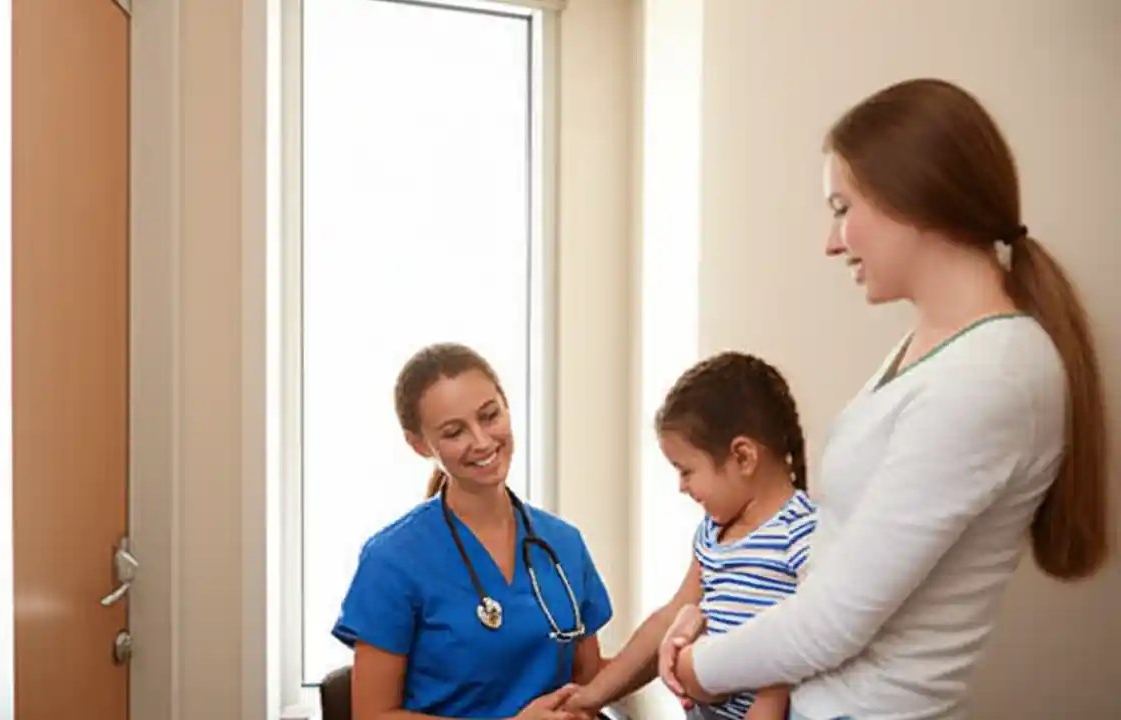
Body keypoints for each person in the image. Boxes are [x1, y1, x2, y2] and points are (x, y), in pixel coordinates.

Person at [659, 78, 1110, 719]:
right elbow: (833, 564)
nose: (832, 240)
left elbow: (837, 619)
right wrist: (705, 626)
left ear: (914, 196)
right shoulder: (934, 348)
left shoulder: (994, 375)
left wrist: (696, 668)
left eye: (842, 207)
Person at [332, 342, 614, 720]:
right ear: (419, 445)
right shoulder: (392, 560)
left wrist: (682, 657)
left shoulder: (562, 544)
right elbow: (372, 716)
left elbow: (590, 683)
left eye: (489, 415)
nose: (481, 441)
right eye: (454, 432)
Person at [565, 352, 817, 720]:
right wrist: (592, 696)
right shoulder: (715, 533)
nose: (681, 487)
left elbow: (800, 655)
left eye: (686, 471)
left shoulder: (803, 534)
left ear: (743, 458)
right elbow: (668, 618)